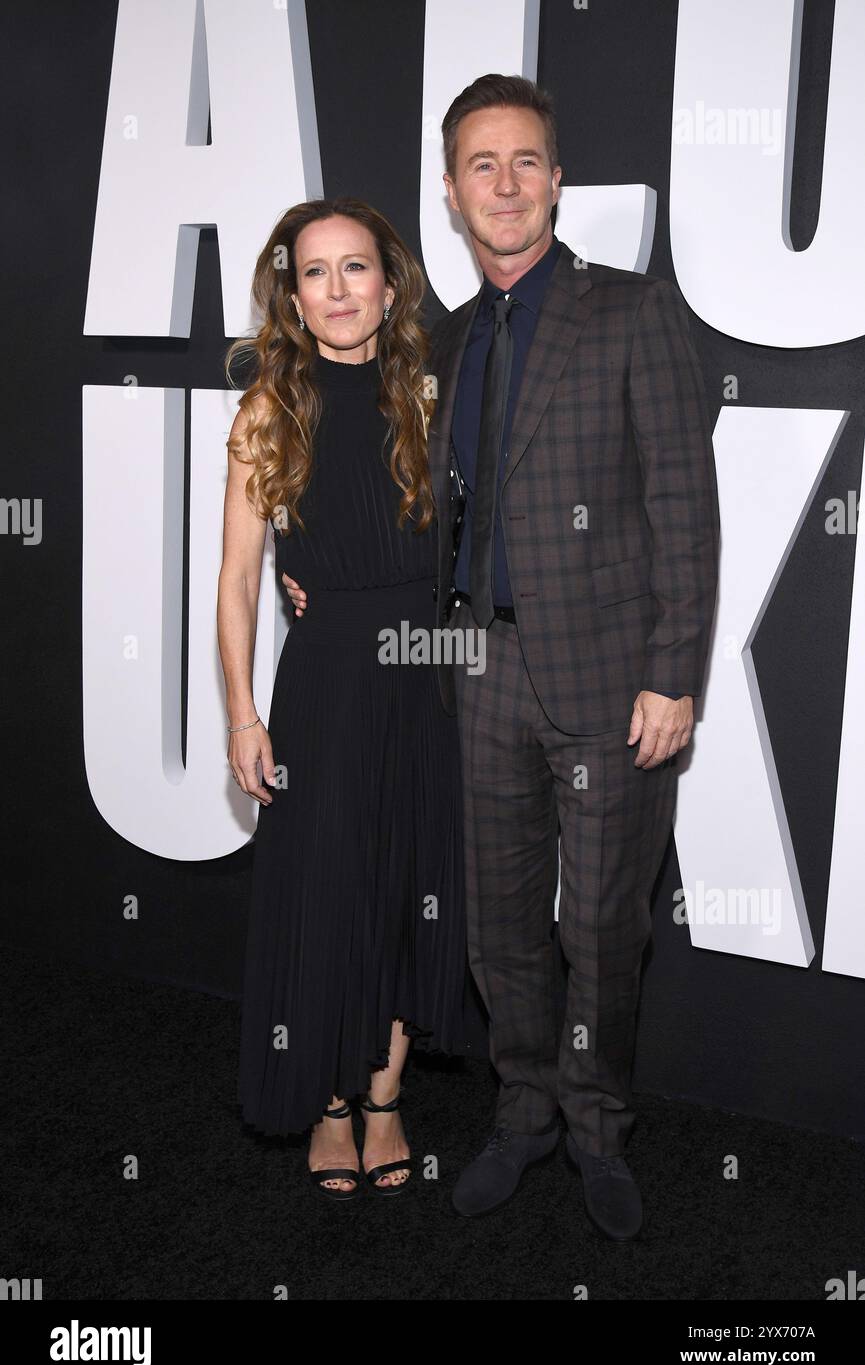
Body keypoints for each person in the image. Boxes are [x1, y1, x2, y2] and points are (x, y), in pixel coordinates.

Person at [282, 76, 721, 1238]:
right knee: (500, 928)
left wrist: (675, 672)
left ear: (557, 179)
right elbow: (416, 506)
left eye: (526, 161)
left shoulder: (629, 312)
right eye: (482, 165)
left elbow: (683, 502)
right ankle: (522, 1111)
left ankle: (596, 1127)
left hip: (611, 684)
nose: (506, 185)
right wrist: (313, 569)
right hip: (470, 682)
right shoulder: (444, 340)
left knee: (601, 930)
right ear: (451, 190)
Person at [217, 197, 481, 1201]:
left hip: (421, 676)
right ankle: (329, 1101)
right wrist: (244, 711)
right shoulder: (269, 412)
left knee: (407, 888)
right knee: (328, 892)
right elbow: (239, 578)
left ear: (389, 281)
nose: (336, 289)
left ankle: (382, 1100)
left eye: (355, 268)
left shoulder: (429, 391)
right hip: (323, 681)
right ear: (291, 292)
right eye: (314, 272)